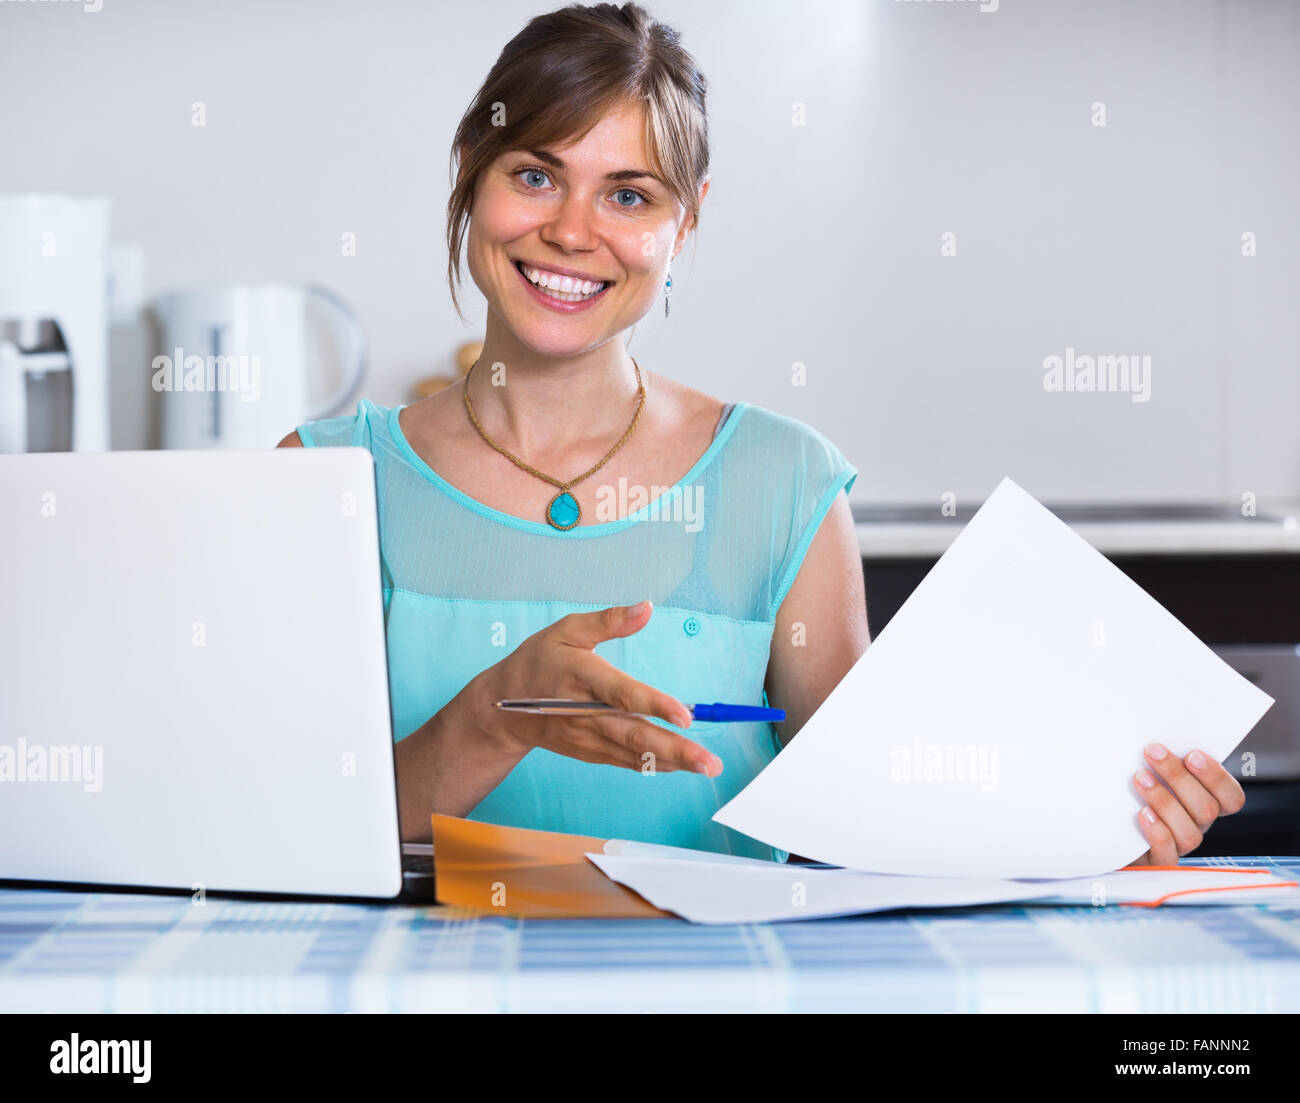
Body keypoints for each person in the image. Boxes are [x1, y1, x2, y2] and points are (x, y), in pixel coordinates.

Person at [279, 2, 1242, 865]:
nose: (573, 231)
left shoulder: (783, 482)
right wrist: (494, 717)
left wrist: (1102, 829)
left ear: (683, 226)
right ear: (470, 178)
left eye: (629, 194)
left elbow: (875, 824)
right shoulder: (322, 481)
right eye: (535, 174)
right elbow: (281, 827)